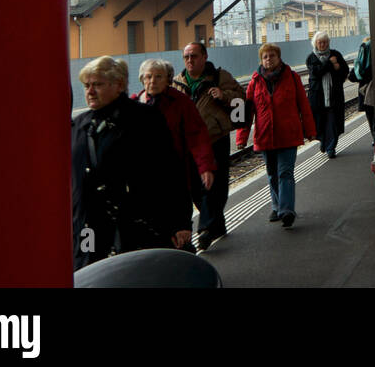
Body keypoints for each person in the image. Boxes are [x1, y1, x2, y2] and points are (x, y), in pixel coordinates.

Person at [71, 56, 192, 269]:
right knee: (91, 275)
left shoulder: (144, 119)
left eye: (97, 84)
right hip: (89, 229)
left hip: (138, 225)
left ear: (119, 85)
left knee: (138, 275)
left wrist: (180, 223)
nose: (89, 91)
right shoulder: (79, 126)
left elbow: (170, 171)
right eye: (86, 85)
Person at [133, 58, 216, 251]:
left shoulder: (180, 102)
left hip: (177, 175)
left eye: (158, 77)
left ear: (168, 79)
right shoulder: (134, 104)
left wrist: (205, 167)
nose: (152, 81)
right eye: (148, 76)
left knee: (180, 231)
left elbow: (197, 135)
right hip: (146, 180)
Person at [173, 40, 246, 252]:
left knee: (216, 185)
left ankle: (205, 228)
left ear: (204, 57)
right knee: (196, 188)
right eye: (186, 56)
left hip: (216, 139)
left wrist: (224, 96)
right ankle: (217, 223)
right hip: (190, 144)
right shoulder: (177, 82)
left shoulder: (220, 76)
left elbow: (241, 98)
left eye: (194, 56)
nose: (189, 60)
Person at [236, 43, 316, 229]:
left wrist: (310, 130)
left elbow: (304, 105)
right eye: (265, 56)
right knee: (272, 174)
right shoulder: (254, 82)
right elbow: (246, 113)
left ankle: (286, 210)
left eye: (272, 55)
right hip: (265, 136)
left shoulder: (292, 77)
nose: (269, 59)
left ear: (279, 58)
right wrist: (241, 137)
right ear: (261, 60)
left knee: (285, 172)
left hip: (288, 134)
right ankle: (277, 205)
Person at [306, 32, 350, 157]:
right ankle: (324, 141)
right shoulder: (311, 58)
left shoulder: (336, 54)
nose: (323, 44)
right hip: (318, 97)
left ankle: (331, 147)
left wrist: (337, 67)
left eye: (325, 42)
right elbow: (316, 73)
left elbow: (345, 71)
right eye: (320, 42)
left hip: (334, 96)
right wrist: (331, 64)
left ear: (328, 43)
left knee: (333, 122)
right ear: (315, 43)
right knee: (320, 122)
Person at [350, 35, 375, 143]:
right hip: (374, 95)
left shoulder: (362, 62)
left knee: (372, 119)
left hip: (366, 96)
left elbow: (352, 76)